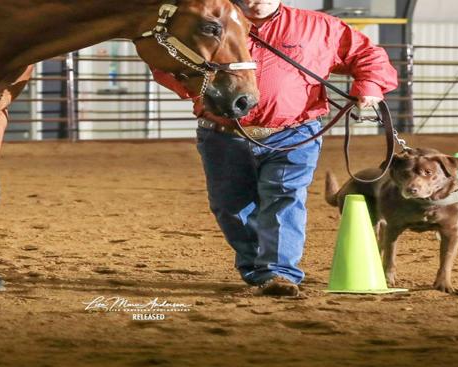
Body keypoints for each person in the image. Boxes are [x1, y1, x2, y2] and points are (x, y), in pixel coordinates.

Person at [153, 0, 398, 297]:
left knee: (284, 198)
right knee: (230, 206)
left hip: (294, 132)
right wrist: (194, 87)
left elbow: (367, 54)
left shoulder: (319, 27)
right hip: (222, 133)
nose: (257, 1)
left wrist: (370, 87)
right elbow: (166, 59)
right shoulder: (207, 23)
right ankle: (257, 268)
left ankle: (279, 272)